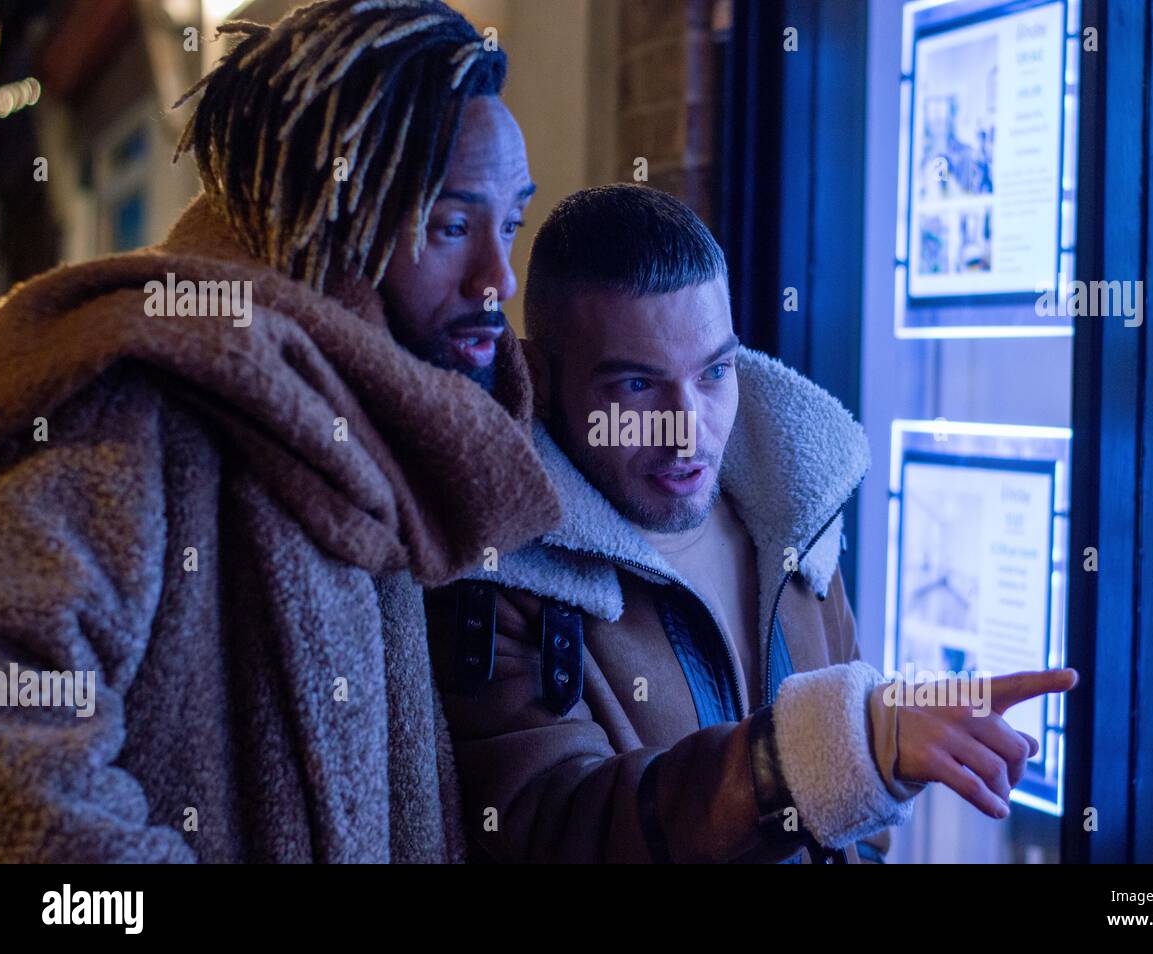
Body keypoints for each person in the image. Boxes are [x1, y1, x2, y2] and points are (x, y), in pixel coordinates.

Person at [0, 0, 558, 862]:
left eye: (509, 224)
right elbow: (15, 745)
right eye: (450, 226)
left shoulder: (394, 427)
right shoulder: (141, 401)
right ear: (333, 217)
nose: (497, 277)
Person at [427, 185, 1077, 863]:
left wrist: (877, 756)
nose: (689, 433)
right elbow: (561, 829)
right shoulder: (497, 574)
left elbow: (861, 836)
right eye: (636, 387)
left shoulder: (797, 517)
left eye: (713, 373)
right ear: (538, 377)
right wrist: (812, 756)